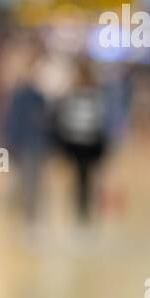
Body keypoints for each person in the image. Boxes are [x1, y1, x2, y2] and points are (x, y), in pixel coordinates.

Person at [0, 38, 51, 223]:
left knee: (32, 181)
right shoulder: (21, 94)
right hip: (25, 143)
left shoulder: (33, 94)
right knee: (25, 181)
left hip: (31, 143)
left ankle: (30, 217)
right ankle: (27, 217)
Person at [53, 59, 109, 222]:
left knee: (82, 177)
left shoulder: (83, 95)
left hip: (81, 142)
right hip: (83, 142)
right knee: (83, 177)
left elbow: (66, 119)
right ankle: (82, 209)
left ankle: (82, 209)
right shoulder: (91, 95)